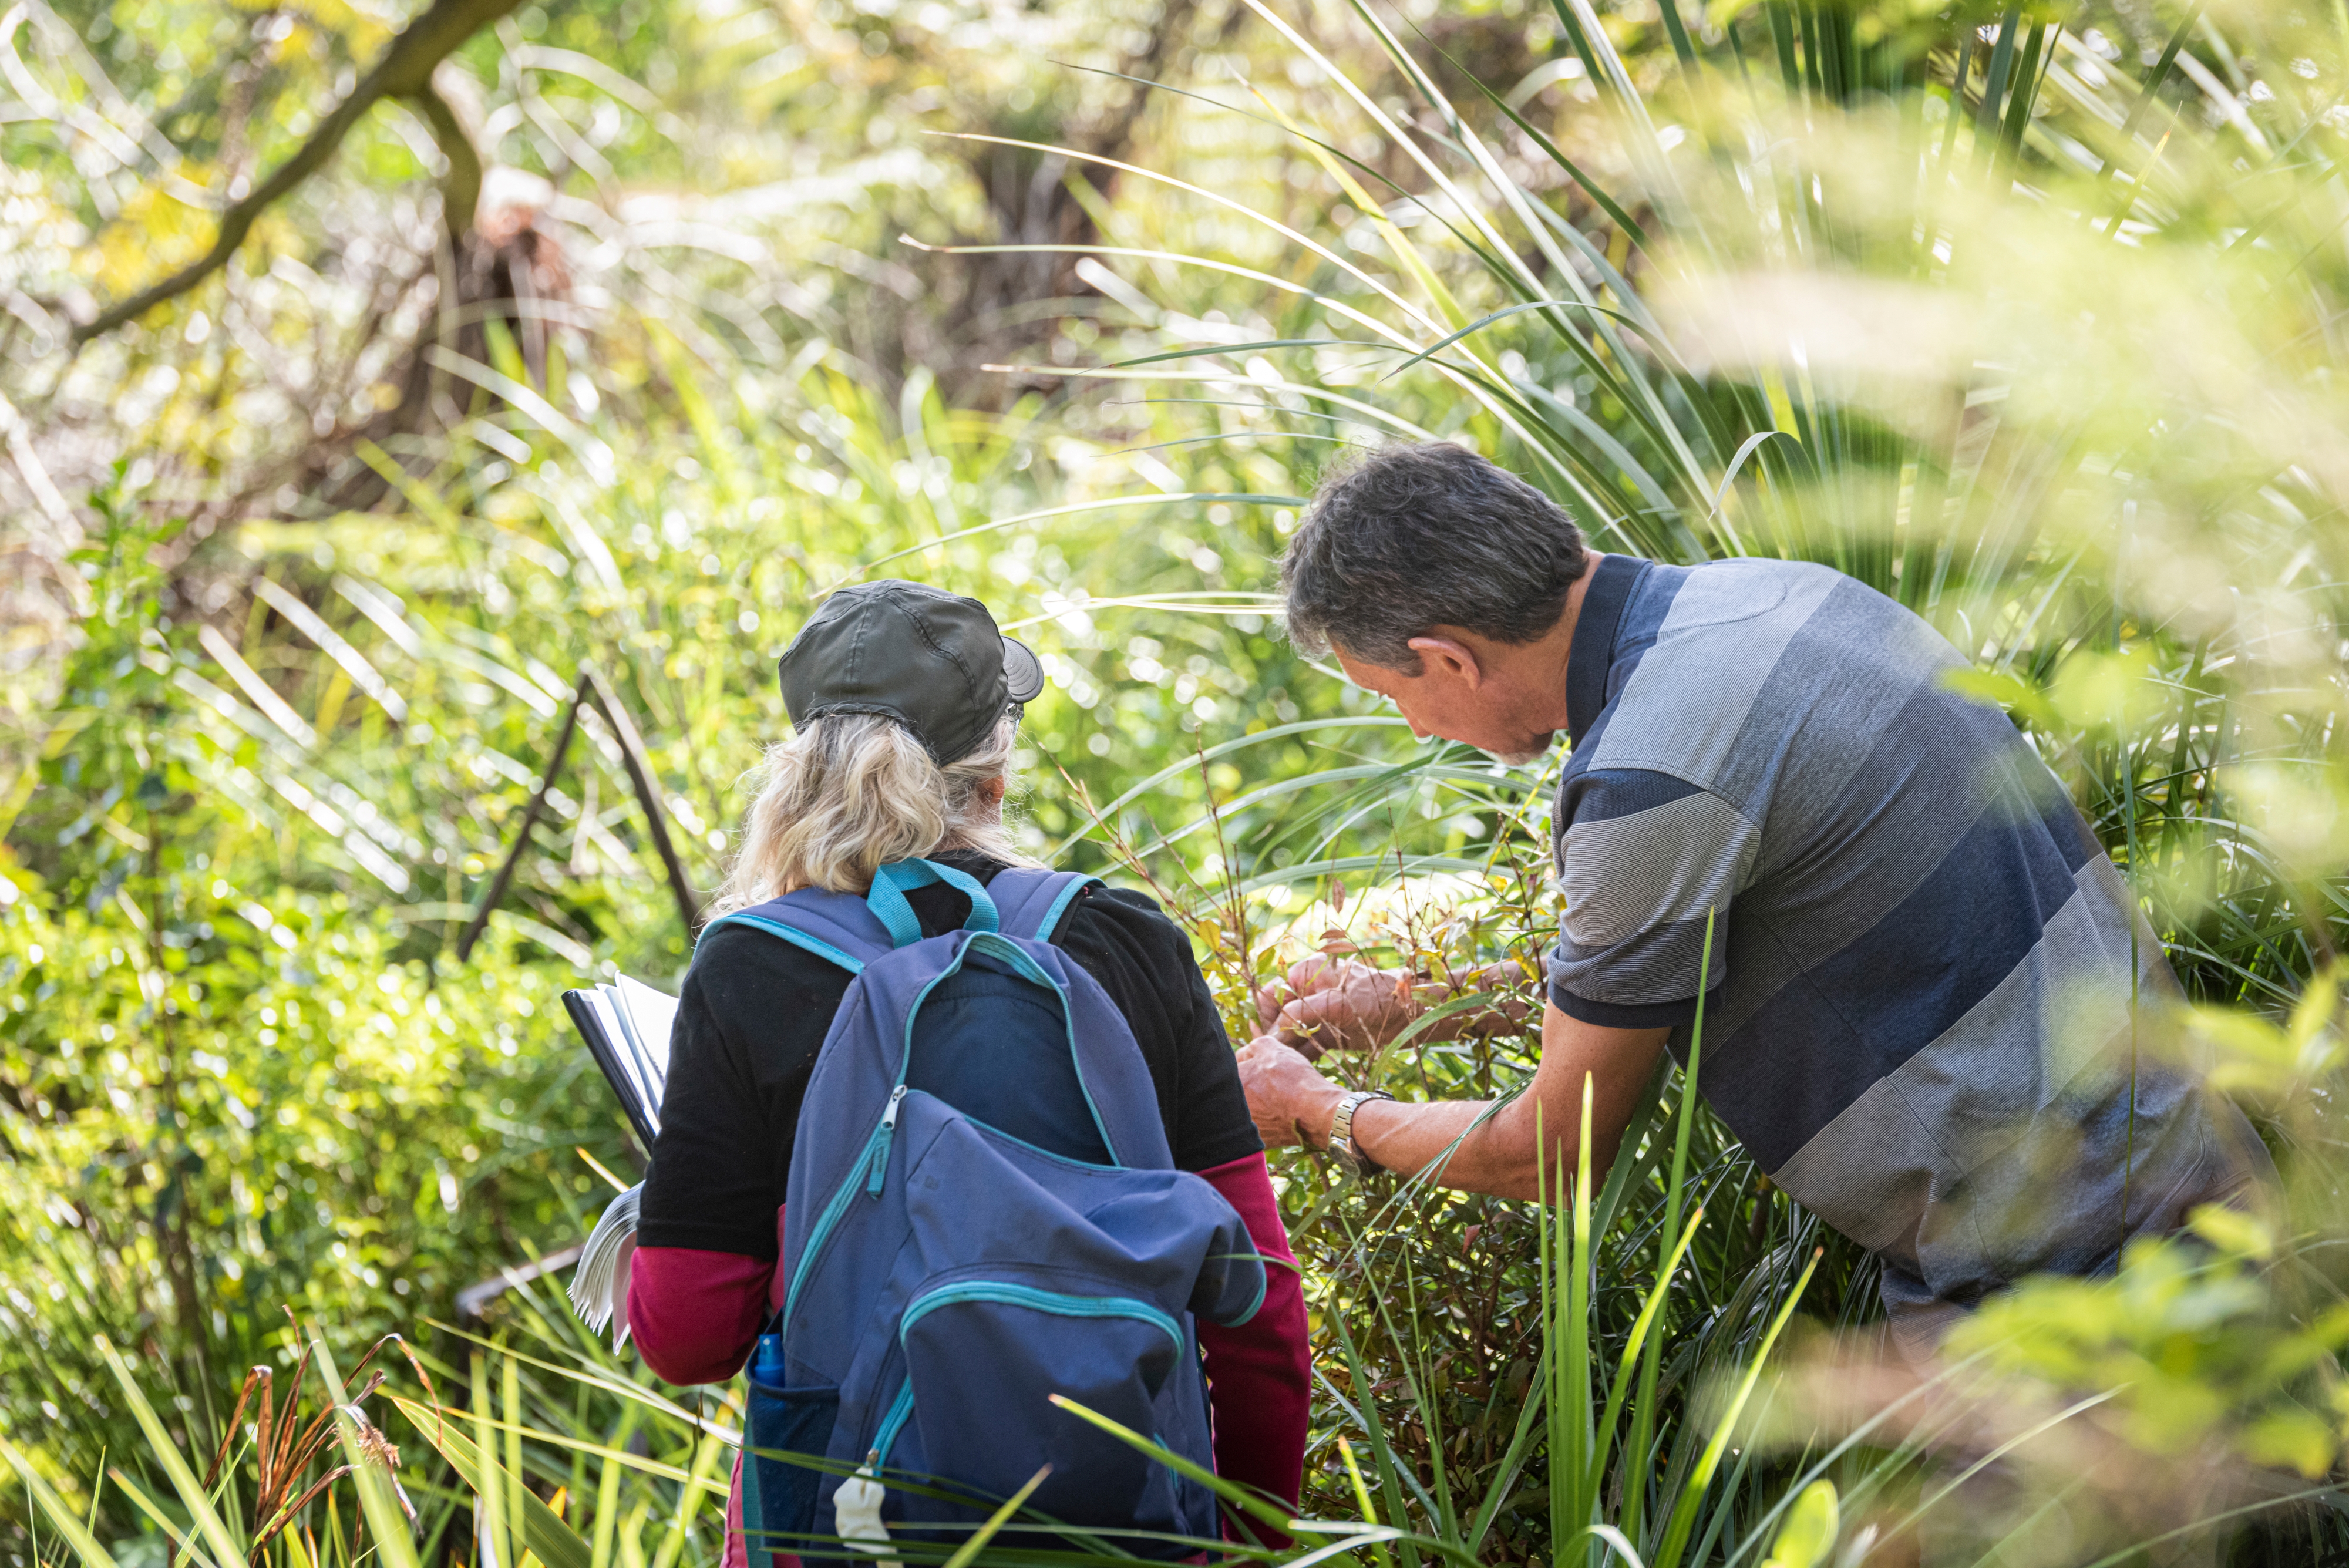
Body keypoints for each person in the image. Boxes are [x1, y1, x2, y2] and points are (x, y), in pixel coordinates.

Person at [1235, 442, 2274, 1353]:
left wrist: (1322, 1112)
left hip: (2073, 1267)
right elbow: (1691, 955)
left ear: (1447, 657)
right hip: (2190, 1164)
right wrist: (1429, 1004)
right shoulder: (1776, 597)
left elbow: (1554, 1152)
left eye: (1396, 696)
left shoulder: (1650, 776)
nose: (1417, 728)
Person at [627, 580, 1311, 1561]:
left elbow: (687, 1335)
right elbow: (1258, 1295)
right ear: (993, 773)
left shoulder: (746, 967)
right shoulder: (1127, 942)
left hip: (847, 1527)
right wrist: (1239, 1534)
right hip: (1129, 1527)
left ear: (800, 770)